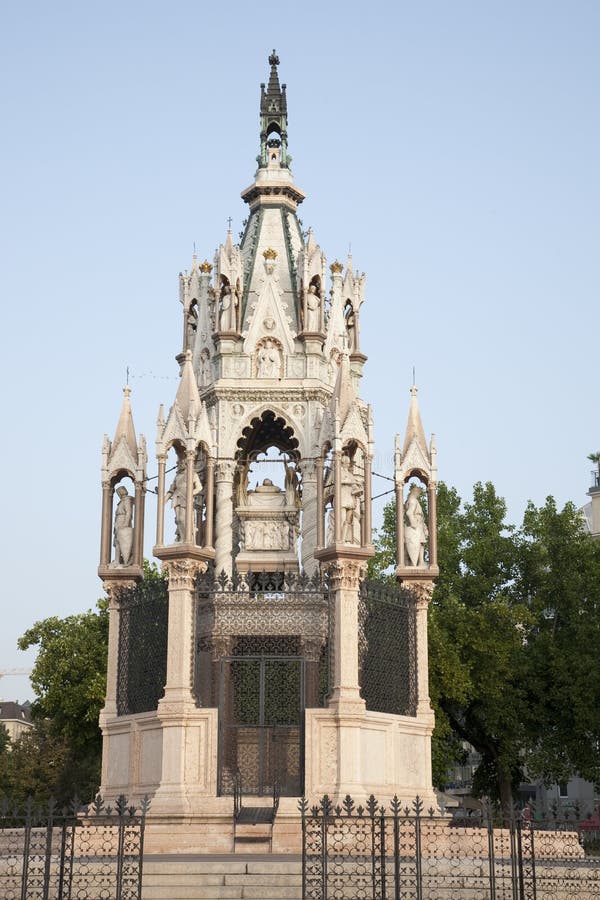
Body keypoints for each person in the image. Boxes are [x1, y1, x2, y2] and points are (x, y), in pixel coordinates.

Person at [166, 459, 202, 542]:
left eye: (182, 463)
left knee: (183, 519)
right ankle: (182, 538)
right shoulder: (178, 476)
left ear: (187, 464)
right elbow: (171, 489)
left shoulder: (193, 474)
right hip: (177, 496)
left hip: (186, 498)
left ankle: (187, 538)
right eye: (180, 463)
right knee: (178, 519)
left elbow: (199, 487)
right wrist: (164, 500)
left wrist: (191, 493)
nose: (180, 464)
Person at [404, 484, 428, 566]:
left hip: (419, 523)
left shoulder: (411, 500)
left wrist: (424, 526)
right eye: (418, 493)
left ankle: (421, 561)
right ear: (415, 492)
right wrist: (414, 523)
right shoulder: (413, 500)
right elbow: (409, 513)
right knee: (418, 542)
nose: (419, 495)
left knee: (421, 542)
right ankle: (418, 561)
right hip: (416, 525)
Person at [113, 485, 134, 566]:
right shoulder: (122, 501)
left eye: (119, 492)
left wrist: (125, 524)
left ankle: (126, 560)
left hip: (122, 521)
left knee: (121, 541)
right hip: (118, 521)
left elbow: (128, 512)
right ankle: (117, 560)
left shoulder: (126, 500)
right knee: (117, 541)